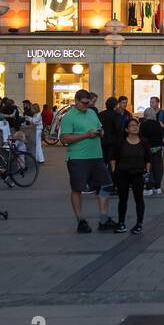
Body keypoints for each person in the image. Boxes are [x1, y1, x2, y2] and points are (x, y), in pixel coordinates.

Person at [59, 89, 116, 233]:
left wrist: (100, 132)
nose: (87, 105)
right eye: (84, 103)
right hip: (78, 158)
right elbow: (64, 139)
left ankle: (103, 218)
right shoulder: (69, 117)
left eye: (88, 103)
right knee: (77, 188)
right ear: (76, 101)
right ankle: (80, 220)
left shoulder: (91, 112)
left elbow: (99, 127)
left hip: (96, 156)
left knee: (107, 184)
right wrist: (86, 135)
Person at [114, 117, 150, 234]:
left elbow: (148, 159)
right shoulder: (121, 141)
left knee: (139, 199)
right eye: (132, 125)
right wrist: (114, 171)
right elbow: (113, 157)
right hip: (122, 173)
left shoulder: (143, 141)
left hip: (138, 174)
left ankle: (139, 223)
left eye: (137, 125)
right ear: (126, 129)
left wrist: (147, 172)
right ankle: (121, 223)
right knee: (122, 199)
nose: (135, 127)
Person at [139, 101, 164, 196]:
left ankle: (148, 187)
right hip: (158, 148)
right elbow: (161, 136)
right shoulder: (158, 124)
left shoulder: (143, 125)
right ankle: (157, 187)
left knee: (147, 168)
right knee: (157, 168)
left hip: (147, 149)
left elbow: (141, 137)